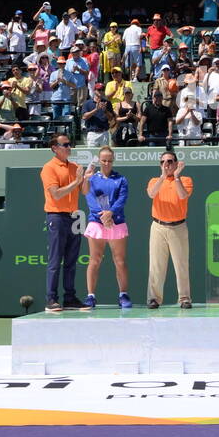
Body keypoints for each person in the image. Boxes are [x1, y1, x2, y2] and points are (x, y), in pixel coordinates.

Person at [41, 133, 87, 310]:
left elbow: (83, 191)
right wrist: (77, 181)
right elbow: (56, 194)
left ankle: (70, 298)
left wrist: (86, 178)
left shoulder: (75, 167)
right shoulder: (49, 168)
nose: (69, 147)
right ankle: (51, 299)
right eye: (65, 145)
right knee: (55, 260)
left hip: (74, 216)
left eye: (70, 144)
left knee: (71, 261)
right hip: (57, 216)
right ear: (55, 148)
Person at [83, 146, 131, 308]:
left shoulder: (121, 179)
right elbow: (89, 198)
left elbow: (122, 199)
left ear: (113, 161)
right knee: (94, 260)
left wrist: (110, 213)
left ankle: (123, 295)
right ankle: (90, 296)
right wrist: (103, 216)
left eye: (109, 160)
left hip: (116, 221)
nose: (106, 163)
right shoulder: (91, 178)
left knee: (120, 261)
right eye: (103, 160)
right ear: (99, 160)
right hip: (97, 222)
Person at [146, 151, 194, 308]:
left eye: (169, 161)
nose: (166, 165)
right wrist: (162, 176)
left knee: (181, 264)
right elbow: (152, 194)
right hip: (158, 226)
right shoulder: (154, 180)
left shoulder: (185, 179)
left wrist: (177, 177)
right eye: (163, 162)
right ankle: (154, 298)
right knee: (156, 265)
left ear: (176, 163)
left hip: (178, 227)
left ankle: (184, 298)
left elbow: (182, 196)